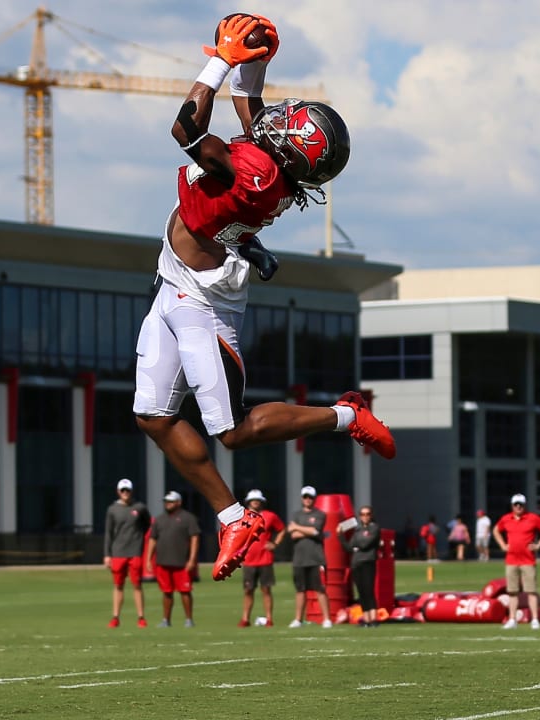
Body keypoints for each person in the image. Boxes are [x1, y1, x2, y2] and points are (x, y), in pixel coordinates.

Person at [130, 12, 395, 584]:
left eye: (289, 123)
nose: (279, 118)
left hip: (202, 302)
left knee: (233, 431)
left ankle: (345, 415)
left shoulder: (256, 173)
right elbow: (250, 106)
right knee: (152, 416)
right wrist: (256, 60)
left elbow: (185, 127)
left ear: (289, 149)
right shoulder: (271, 164)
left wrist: (222, 62)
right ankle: (234, 517)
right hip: (175, 277)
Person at [494, 493, 540, 630]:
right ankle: (512, 620)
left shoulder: (532, 518)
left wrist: (539, 545)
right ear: (512, 506)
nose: (518, 507)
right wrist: (502, 545)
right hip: (511, 560)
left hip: (528, 560)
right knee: (512, 592)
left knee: (531, 591)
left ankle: (535, 619)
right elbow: (496, 530)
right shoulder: (506, 519)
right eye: (516, 504)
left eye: (520, 504)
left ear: (524, 505)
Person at [146, 490, 201, 628]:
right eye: (166, 501)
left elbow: (194, 538)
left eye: (171, 501)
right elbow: (152, 539)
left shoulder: (188, 518)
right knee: (166, 592)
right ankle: (166, 620)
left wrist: (192, 559)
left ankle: (189, 619)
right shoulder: (159, 519)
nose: (168, 504)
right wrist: (148, 559)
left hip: (182, 563)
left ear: (178, 502)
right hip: (163, 562)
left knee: (185, 591)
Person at [104, 478, 151, 628]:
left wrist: (139, 539)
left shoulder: (140, 508)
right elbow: (108, 533)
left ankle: (141, 617)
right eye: (123, 490)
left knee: (137, 584)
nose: (125, 493)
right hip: (118, 552)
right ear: (118, 492)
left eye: (128, 490)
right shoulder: (112, 509)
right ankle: (115, 617)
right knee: (118, 585)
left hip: (135, 551)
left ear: (132, 491)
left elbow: (147, 524)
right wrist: (107, 554)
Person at [238, 488, 286, 627]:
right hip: (248, 559)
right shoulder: (242, 517)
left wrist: (275, 544)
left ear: (261, 502)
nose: (255, 502)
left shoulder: (270, 516)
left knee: (266, 589)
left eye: (257, 500)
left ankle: (269, 618)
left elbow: (282, 529)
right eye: (253, 500)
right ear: (248, 502)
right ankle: (245, 618)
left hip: (265, 558)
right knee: (248, 590)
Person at [287, 485, 332, 628]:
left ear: (314, 499)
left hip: (316, 558)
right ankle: (298, 619)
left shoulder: (320, 514)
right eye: (305, 497)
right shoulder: (296, 514)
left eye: (310, 497)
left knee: (320, 589)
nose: (308, 499)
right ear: (302, 498)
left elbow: (315, 531)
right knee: (300, 590)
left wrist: (298, 527)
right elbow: (292, 534)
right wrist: (307, 531)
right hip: (299, 559)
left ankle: (327, 619)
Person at [343, 505, 381, 627]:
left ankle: (373, 618)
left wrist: (357, 545)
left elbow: (365, 544)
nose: (365, 517)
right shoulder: (358, 530)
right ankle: (366, 619)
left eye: (367, 514)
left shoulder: (374, 528)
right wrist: (340, 536)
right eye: (363, 514)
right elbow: (349, 547)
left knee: (369, 590)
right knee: (361, 592)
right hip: (356, 563)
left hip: (368, 562)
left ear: (371, 515)